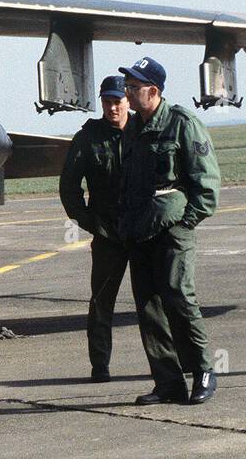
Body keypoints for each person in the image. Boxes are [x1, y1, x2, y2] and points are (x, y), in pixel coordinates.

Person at [117, 57, 220, 406]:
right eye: (127, 86)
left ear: (154, 90)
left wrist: (186, 222)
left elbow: (207, 185)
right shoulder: (132, 128)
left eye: (134, 87)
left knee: (178, 297)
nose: (128, 93)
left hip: (173, 230)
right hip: (139, 232)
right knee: (148, 308)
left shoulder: (182, 123)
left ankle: (203, 370)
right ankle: (168, 382)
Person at [59, 76, 131, 383]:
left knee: (157, 303)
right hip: (108, 235)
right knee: (101, 303)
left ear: (128, 101)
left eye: (118, 101)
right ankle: (100, 365)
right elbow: (69, 188)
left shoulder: (145, 132)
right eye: (107, 102)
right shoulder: (88, 138)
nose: (113, 108)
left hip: (145, 233)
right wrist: (92, 224)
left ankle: (167, 367)